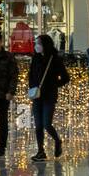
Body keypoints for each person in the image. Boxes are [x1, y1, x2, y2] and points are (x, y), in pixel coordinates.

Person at [28, 33, 70, 162]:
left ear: (45, 45)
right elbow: (31, 75)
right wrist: (32, 88)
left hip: (49, 96)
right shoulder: (35, 58)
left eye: (39, 44)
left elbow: (65, 78)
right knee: (38, 125)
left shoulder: (54, 59)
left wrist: (53, 85)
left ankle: (57, 141)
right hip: (37, 96)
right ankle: (41, 151)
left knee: (46, 124)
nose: (36, 46)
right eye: (36, 43)